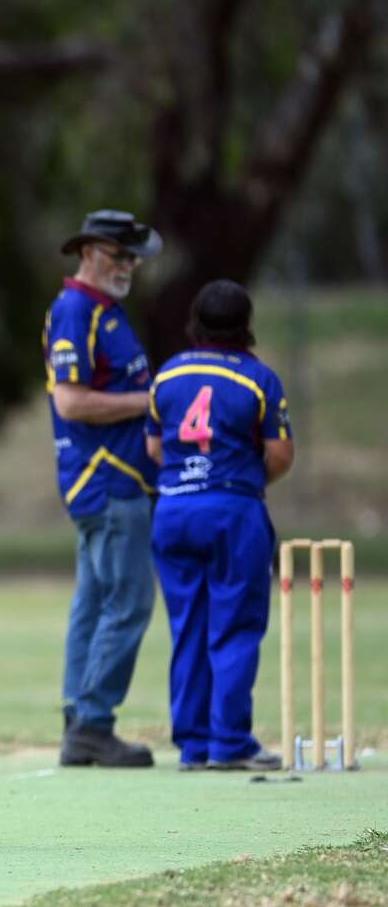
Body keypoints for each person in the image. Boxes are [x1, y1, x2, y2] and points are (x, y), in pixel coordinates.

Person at [146, 281, 292, 770]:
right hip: (232, 510)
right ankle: (229, 743)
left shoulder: (166, 375)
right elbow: (280, 454)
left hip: (174, 511)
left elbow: (154, 449)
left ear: (196, 321)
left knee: (188, 626)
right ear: (245, 324)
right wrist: (246, 479)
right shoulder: (258, 379)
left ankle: (192, 744)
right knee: (235, 625)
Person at [43, 210, 161, 768]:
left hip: (117, 480)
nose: (129, 267)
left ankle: (80, 717)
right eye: (120, 256)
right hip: (106, 480)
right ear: (89, 252)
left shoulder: (106, 313)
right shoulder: (76, 310)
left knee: (94, 599)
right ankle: (93, 721)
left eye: (133, 258)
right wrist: (152, 401)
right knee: (129, 600)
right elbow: (71, 401)